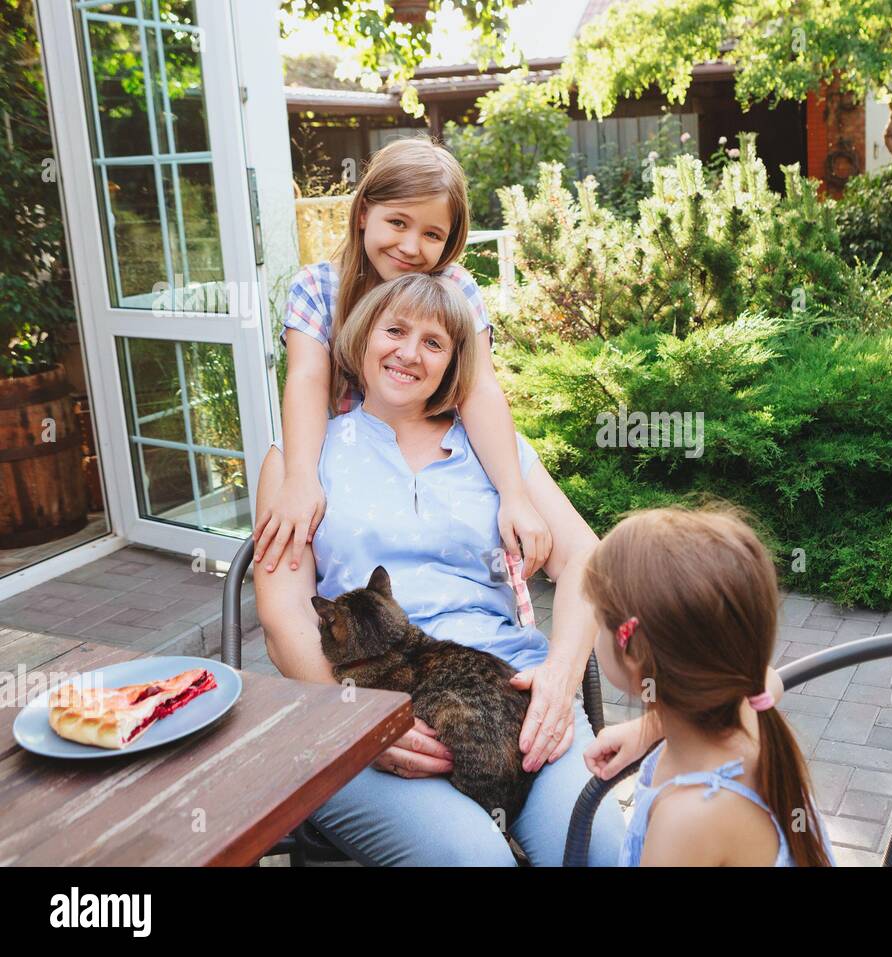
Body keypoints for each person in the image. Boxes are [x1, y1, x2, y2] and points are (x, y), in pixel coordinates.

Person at [256, 273, 624, 866]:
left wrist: (559, 677)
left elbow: (590, 559)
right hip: (366, 706)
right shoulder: (303, 456)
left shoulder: (493, 449)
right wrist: (360, 726)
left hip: (514, 699)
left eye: (434, 342)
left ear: (455, 362)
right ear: (359, 339)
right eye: (394, 331)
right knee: (474, 862)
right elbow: (281, 614)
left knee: (600, 852)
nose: (408, 352)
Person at [254, 135, 550, 581]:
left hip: (429, 465)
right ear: (363, 213)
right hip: (349, 467)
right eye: (397, 222)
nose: (411, 247)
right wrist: (299, 477)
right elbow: (307, 380)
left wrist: (513, 492)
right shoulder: (318, 287)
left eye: (432, 234)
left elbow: (480, 388)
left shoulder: (453, 289)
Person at [582, 506, 834, 866]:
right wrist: (649, 728)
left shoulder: (687, 822)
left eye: (598, 619)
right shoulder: (748, 705)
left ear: (632, 648)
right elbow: (767, 677)